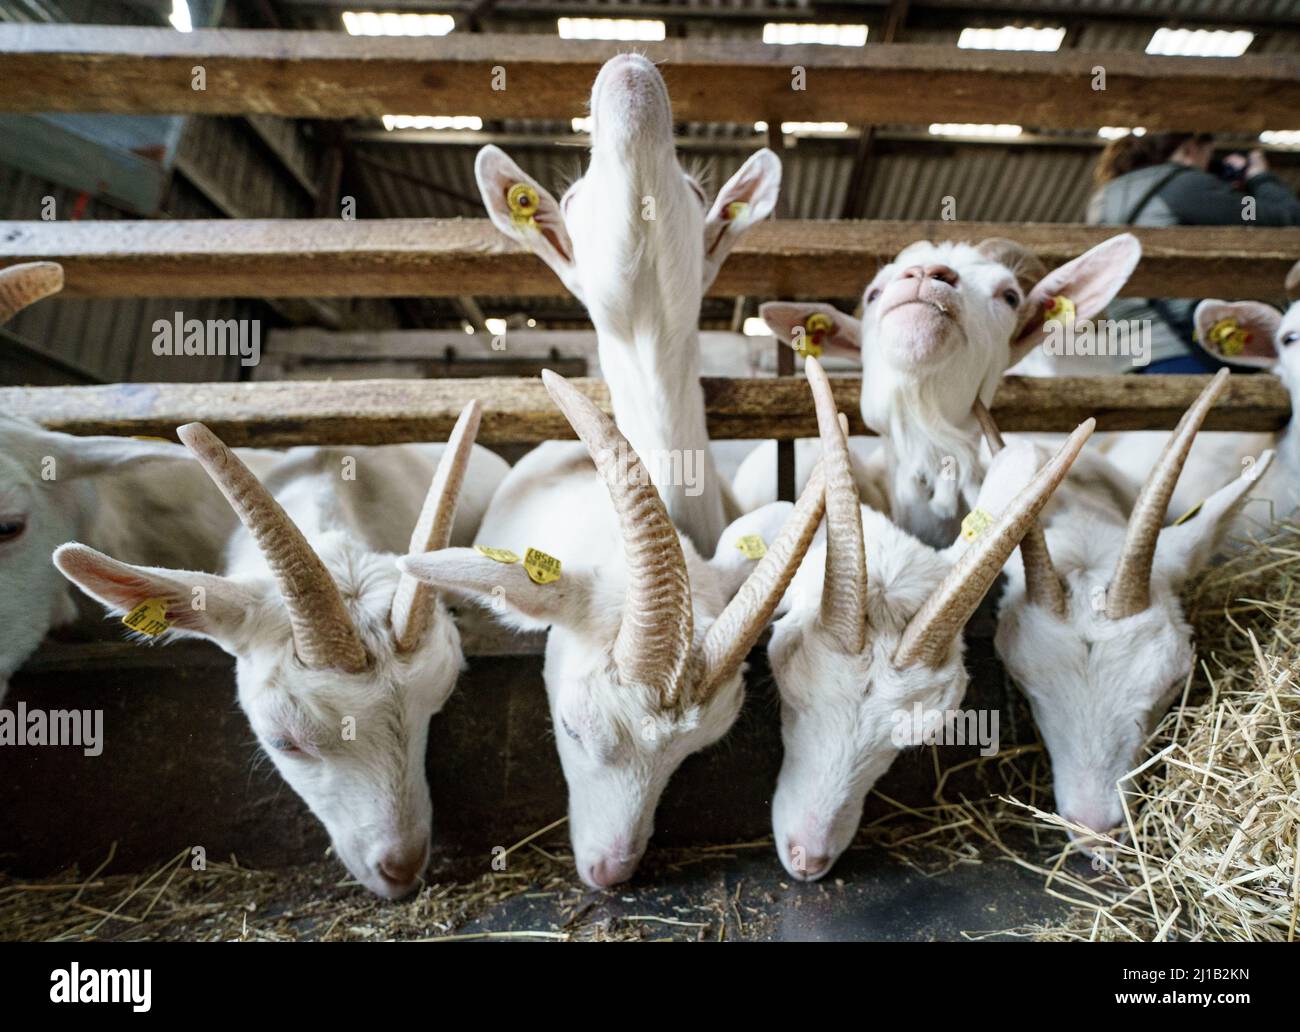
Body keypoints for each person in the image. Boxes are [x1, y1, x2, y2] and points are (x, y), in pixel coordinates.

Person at [1087, 132, 1300, 373]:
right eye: (1209, 156)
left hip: (1130, 355)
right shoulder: (1184, 184)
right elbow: (1280, 217)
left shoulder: (1103, 199)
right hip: (1187, 350)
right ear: (1190, 150)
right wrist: (1259, 177)